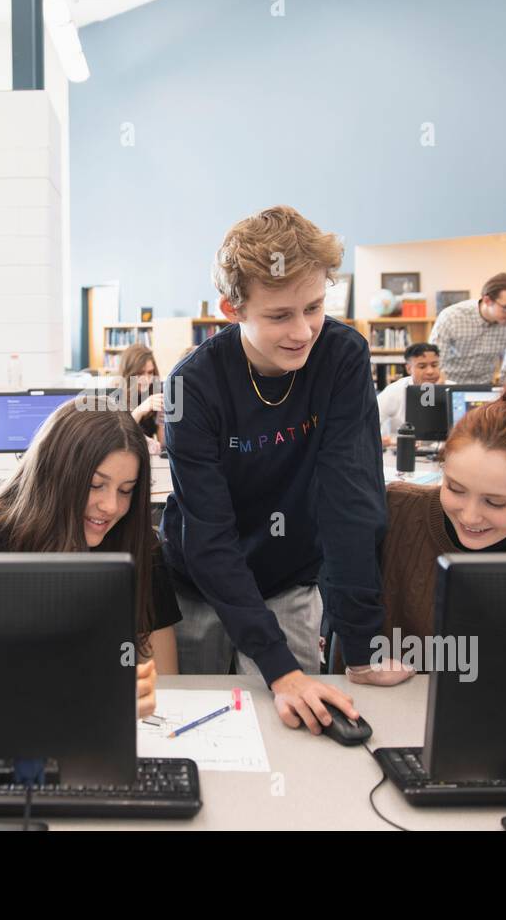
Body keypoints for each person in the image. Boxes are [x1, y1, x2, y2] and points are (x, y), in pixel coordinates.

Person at [161, 205, 408, 738]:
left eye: (314, 307)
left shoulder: (342, 356)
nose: (303, 331)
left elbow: (352, 501)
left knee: (298, 731)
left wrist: (361, 645)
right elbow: (209, 537)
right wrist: (277, 667)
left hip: (289, 576)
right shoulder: (191, 388)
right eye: (279, 316)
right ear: (233, 308)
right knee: (197, 732)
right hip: (200, 585)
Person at [0, 401, 179, 719]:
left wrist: (150, 703)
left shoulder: (137, 542)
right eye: (96, 485)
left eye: (126, 491)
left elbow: (166, 679)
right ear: (54, 473)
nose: (110, 506)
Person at [373, 371, 506, 663]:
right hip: (388, 702)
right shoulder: (394, 510)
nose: (470, 516)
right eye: (454, 488)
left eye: (495, 502)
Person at [428, 273, 506, 384]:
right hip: (451, 384)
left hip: (485, 386)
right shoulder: (451, 317)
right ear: (487, 300)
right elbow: (435, 358)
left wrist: (504, 384)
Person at [377, 342, 443, 447]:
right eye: (422, 366)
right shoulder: (394, 391)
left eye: (434, 365)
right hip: (402, 450)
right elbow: (367, 423)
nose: (430, 371)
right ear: (408, 369)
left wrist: (439, 390)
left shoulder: (452, 389)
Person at [116, 343, 164, 454]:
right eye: (140, 373)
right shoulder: (115, 395)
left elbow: (164, 446)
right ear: (128, 373)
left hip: (147, 459)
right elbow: (119, 440)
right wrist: (140, 410)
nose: (147, 379)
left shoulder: (156, 391)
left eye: (150, 372)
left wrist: (163, 417)